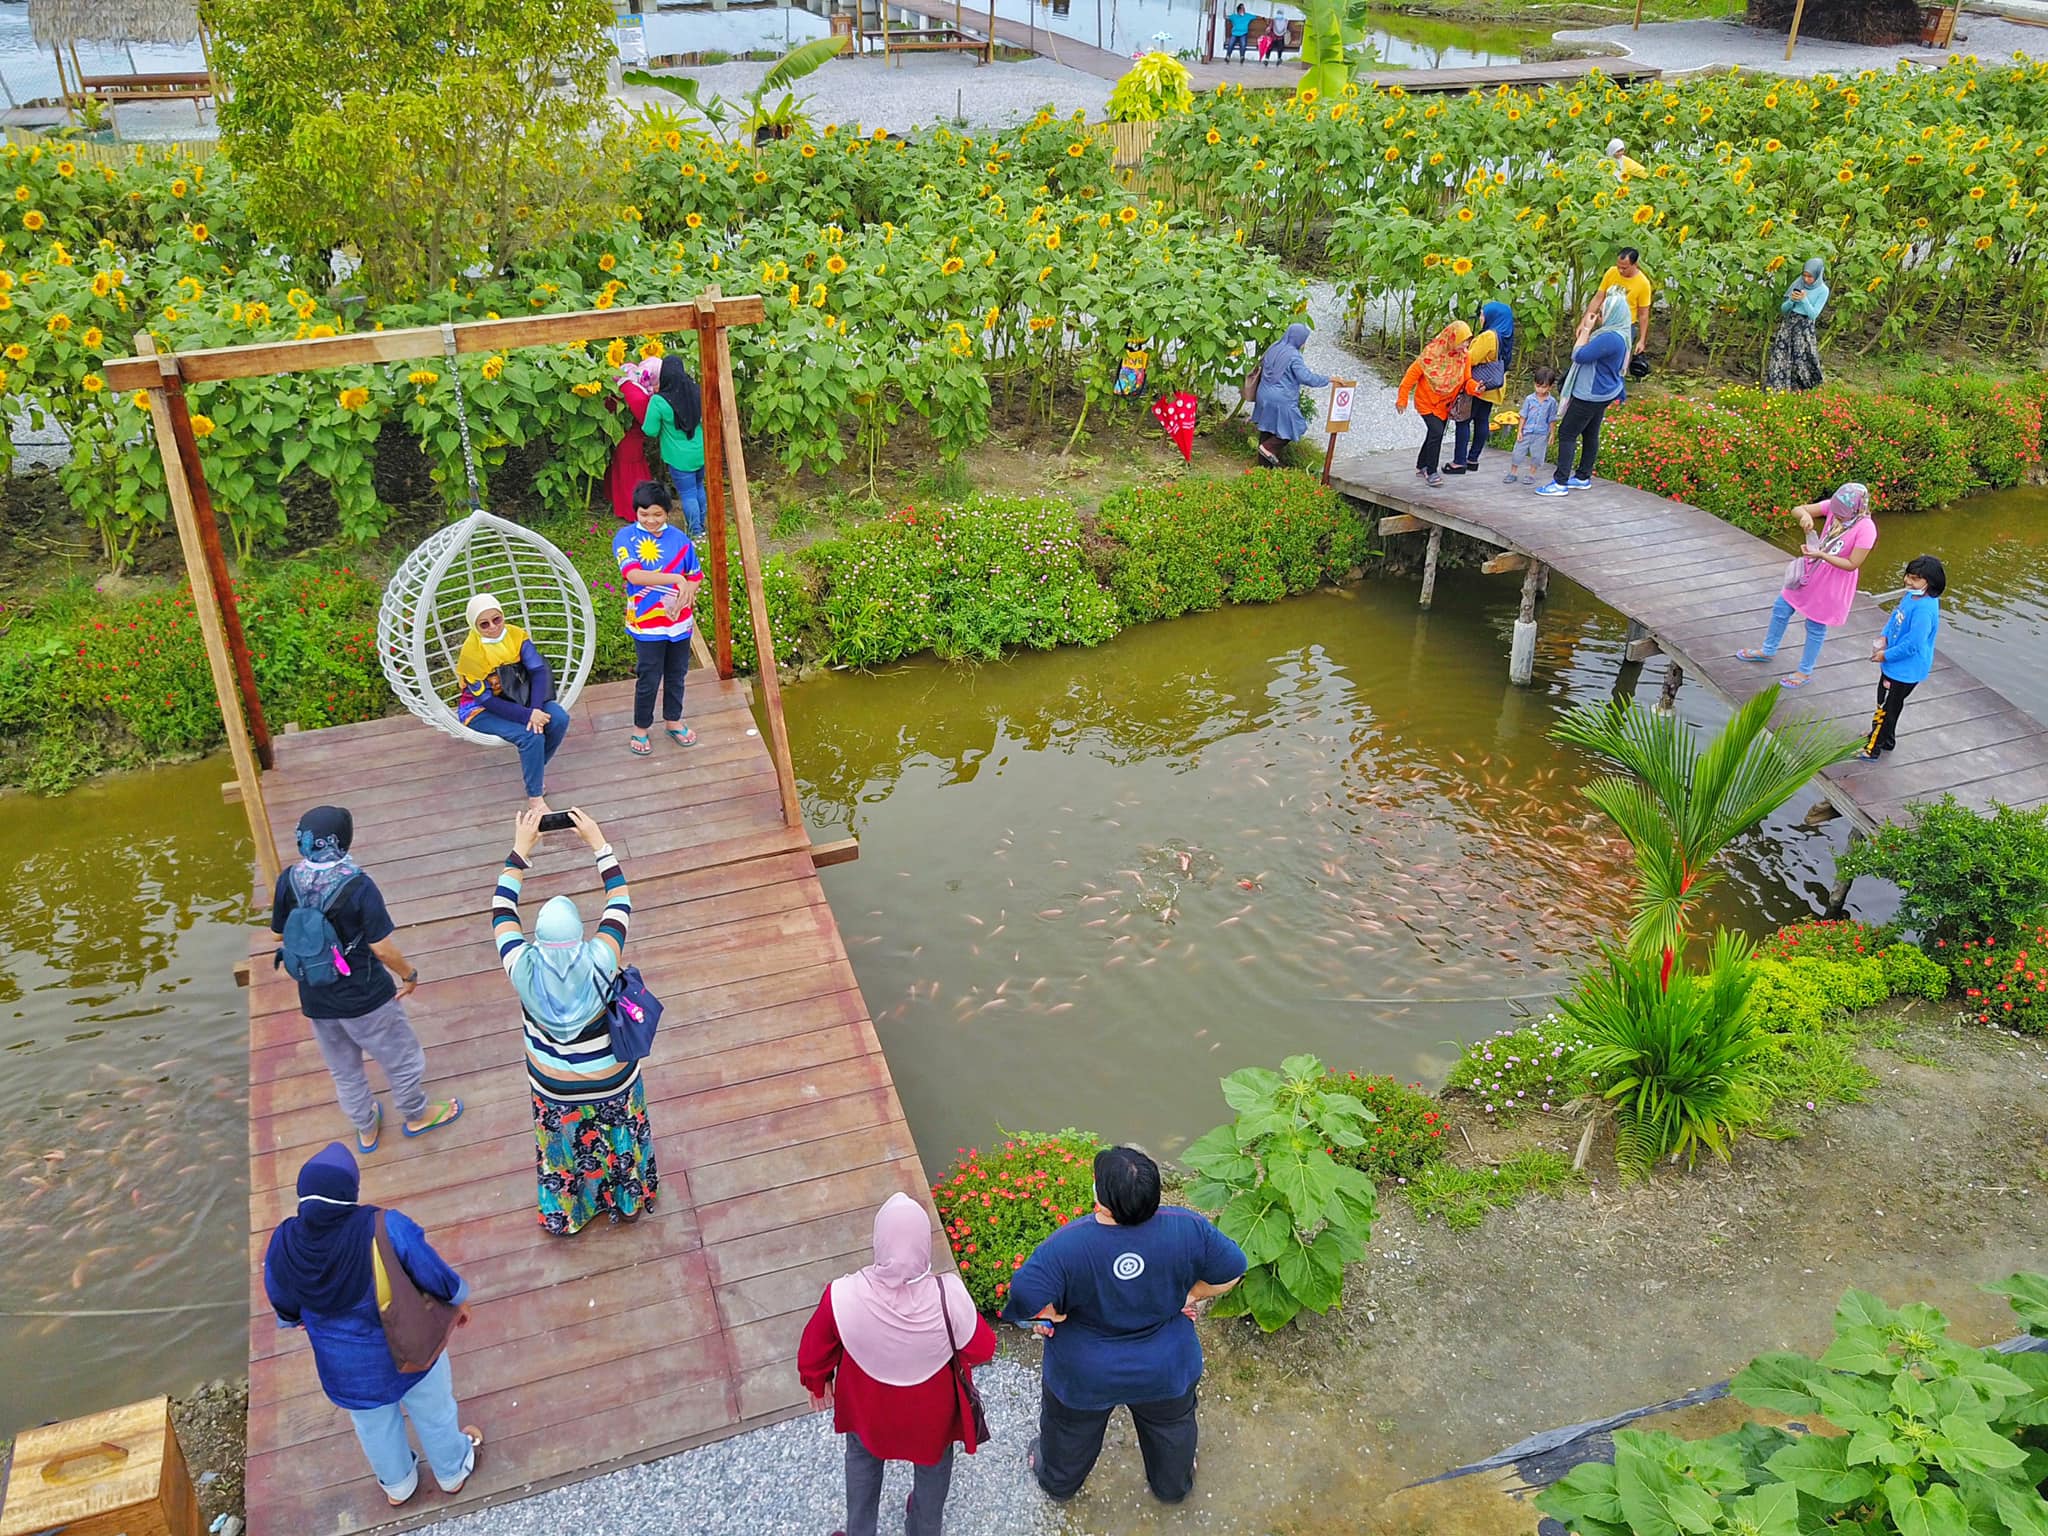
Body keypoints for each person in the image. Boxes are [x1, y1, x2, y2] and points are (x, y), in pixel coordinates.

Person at [1003, 1146, 1247, 1506]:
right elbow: (1234, 1270)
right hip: (1166, 1367)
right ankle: (1172, 1485)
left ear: (1101, 1201)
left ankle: (1058, 1483)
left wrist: (1045, 1317)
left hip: (1084, 1374)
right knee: (1171, 1429)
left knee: (1069, 1432)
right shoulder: (1188, 1227)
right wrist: (1189, 1296)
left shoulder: (1067, 1246)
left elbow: (1022, 1298)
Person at [263, 1143, 480, 1507]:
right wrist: (459, 1299)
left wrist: (295, 1318)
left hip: (346, 1372)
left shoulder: (284, 1242)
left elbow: (281, 1296)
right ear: (350, 1193)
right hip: (411, 1352)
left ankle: (399, 1486)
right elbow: (430, 1271)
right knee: (435, 1409)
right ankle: (452, 1471)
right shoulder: (384, 1226)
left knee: (374, 1427)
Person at [494, 806, 654, 1234]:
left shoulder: (521, 965)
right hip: (612, 1078)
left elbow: (501, 911)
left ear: (538, 940)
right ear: (580, 935)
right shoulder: (603, 956)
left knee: (563, 1150)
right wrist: (598, 844)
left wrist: (520, 853)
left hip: (552, 1084)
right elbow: (620, 899)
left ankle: (569, 1213)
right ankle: (627, 1199)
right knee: (617, 1134)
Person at [799, 1193, 998, 1536]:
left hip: (867, 1411)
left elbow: (813, 1350)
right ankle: (923, 1527)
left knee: (862, 1462)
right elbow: (982, 1349)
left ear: (879, 1241)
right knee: (933, 1467)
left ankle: (860, 1531)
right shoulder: (948, 1294)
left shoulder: (842, 1294)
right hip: (931, 1418)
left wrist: (818, 1382)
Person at [271, 806, 460, 1151]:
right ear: (342, 841)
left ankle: (365, 1125)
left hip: (316, 997)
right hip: (365, 995)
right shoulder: (357, 885)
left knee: (344, 1068)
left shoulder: (288, 879)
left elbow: (278, 935)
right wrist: (409, 975)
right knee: (400, 1056)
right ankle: (416, 1114)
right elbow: (382, 948)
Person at [1735, 483, 1877, 689]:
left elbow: (1852, 564)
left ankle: (1804, 671)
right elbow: (1798, 508)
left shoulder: (1866, 529)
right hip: (1812, 570)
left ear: (1856, 509)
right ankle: (1768, 649)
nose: (1837, 517)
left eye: (1842, 515)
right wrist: (1805, 516)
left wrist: (1822, 554)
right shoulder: (1834, 507)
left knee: (1815, 625)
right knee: (1782, 607)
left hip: (1832, 581)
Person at [453, 592, 573, 813]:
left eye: (497, 619)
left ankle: (534, 770)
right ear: (474, 626)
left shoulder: (516, 636)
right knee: (531, 735)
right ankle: (535, 797)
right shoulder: (472, 654)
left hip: (519, 696)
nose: (493, 627)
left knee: (559, 718)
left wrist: (535, 708)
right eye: (484, 624)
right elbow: (487, 700)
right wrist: (528, 716)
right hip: (481, 709)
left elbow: (537, 670)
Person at [611, 480, 704, 757]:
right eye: (644, 514)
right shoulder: (625, 538)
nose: (651, 520)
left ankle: (673, 720)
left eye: (657, 514)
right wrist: (677, 578)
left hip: (679, 621)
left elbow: (696, 576)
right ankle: (641, 727)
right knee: (648, 676)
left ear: (667, 512)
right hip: (646, 624)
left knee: (677, 674)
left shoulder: (681, 540)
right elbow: (633, 575)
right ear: (636, 513)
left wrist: (688, 591)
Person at [1536, 288, 1631, 498]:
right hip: (1606, 391)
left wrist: (1586, 329)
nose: (1601, 315)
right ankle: (1582, 477)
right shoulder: (1623, 333)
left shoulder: (1609, 338)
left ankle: (1560, 482)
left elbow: (1578, 355)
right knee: (1590, 432)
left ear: (1614, 314)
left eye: (1604, 311)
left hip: (1590, 393)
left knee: (1567, 433)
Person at [1858, 555, 1944, 761]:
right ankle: (1885, 739)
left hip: (1903, 669)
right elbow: (1895, 616)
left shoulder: (1924, 610)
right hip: (1896, 666)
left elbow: (1913, 645)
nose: (1908, 581)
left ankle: (1872, 747)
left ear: (1929, 582)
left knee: (1885, 708)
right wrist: (1884, 636)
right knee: (1891, 705)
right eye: (1909, 576)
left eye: (1915, 579)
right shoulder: (1912, 596)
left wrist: (1885, 655)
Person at [1396, 320, 1479, 488]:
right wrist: (1402, 399)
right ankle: (1431, 471)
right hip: (1426, 402)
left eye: (1468, 341)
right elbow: (1409, 378)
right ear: (1452, 339)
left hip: (1445, 405)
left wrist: (1476, 387)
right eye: (1463, 341)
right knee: (1437, 432)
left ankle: (1421, 465)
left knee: (1434, 434)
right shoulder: (1430, 355)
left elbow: (1467, 380)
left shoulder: (1464, 357)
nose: (1466, 345)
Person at [641, 354, 707, 539]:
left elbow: (650, 430)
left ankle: (696, 531)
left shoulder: (659, 401)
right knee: (699, 487)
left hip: (679, 457)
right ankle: (702, 524)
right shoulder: (696, 391)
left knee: (687, 494)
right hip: (700, 451)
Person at [1249, 321, 1331, 468]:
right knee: (1295, 427)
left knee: (1267, 429)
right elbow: (1306, 378)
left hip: (1263, 395)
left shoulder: (1274, 347)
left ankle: (1262, 470)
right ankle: (1268, 449)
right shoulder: (1294, 356)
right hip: (1281, 399)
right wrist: (1329, 379)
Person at [1448, 299, 1513, 475]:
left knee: (1464, 420)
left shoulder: (1489, 336)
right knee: (1482, 420)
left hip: (1478, 384)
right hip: (1494, 385)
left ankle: (1459, 462)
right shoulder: (1505, 335)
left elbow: (1471, 358)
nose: (1481, 317)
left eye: (1484, 314)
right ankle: (1473, 459)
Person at [1763, 257, 1829, 394]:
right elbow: (1784, 309)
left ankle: (1804, 388)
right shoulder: (1798, 284)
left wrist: (1804, 300)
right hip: (1789, 324)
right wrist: (1792, 301)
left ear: (1818, 275)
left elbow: (1813, 314)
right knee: (1782, 355)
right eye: (1804, 275)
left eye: (1810, 277)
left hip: (1805, 328)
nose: (1806, 280)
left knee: (1803, 358)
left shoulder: (1823, 290)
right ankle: (1777, 389)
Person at [606, 357, 660, 521]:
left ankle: (622, 505)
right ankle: (633, 509)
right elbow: (646, 420)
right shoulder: (636, 394)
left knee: (622, 467)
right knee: (632, 472)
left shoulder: (626, 382)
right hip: (631, 437)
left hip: (622, 433)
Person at [1588, 247, 1653, 367]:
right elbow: (1598, 297)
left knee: (1619, 362)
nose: (1620, 271)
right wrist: (1585, 321)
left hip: (1625, 327)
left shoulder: (1643, 284)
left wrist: (1642, 340)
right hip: (1605, 322)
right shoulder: (1611, 272)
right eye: (1618, 266)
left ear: (1635, 264)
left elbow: (1643, 315)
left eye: (1624, 268)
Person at [1504, 366, 1560, 486]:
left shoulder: (1552, 402)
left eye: (1543, 387)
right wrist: (1519, 431)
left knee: (1537, 455)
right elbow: (1523, 415)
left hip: (1541, 433)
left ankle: (1532, 474)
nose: (1540, 389)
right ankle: (1513, 472)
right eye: (1538, 386)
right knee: (1518, 452)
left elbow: (1552, 419)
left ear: (1550, 387)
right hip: (1527, 431)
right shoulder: (1529, 399)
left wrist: (1552, 434)